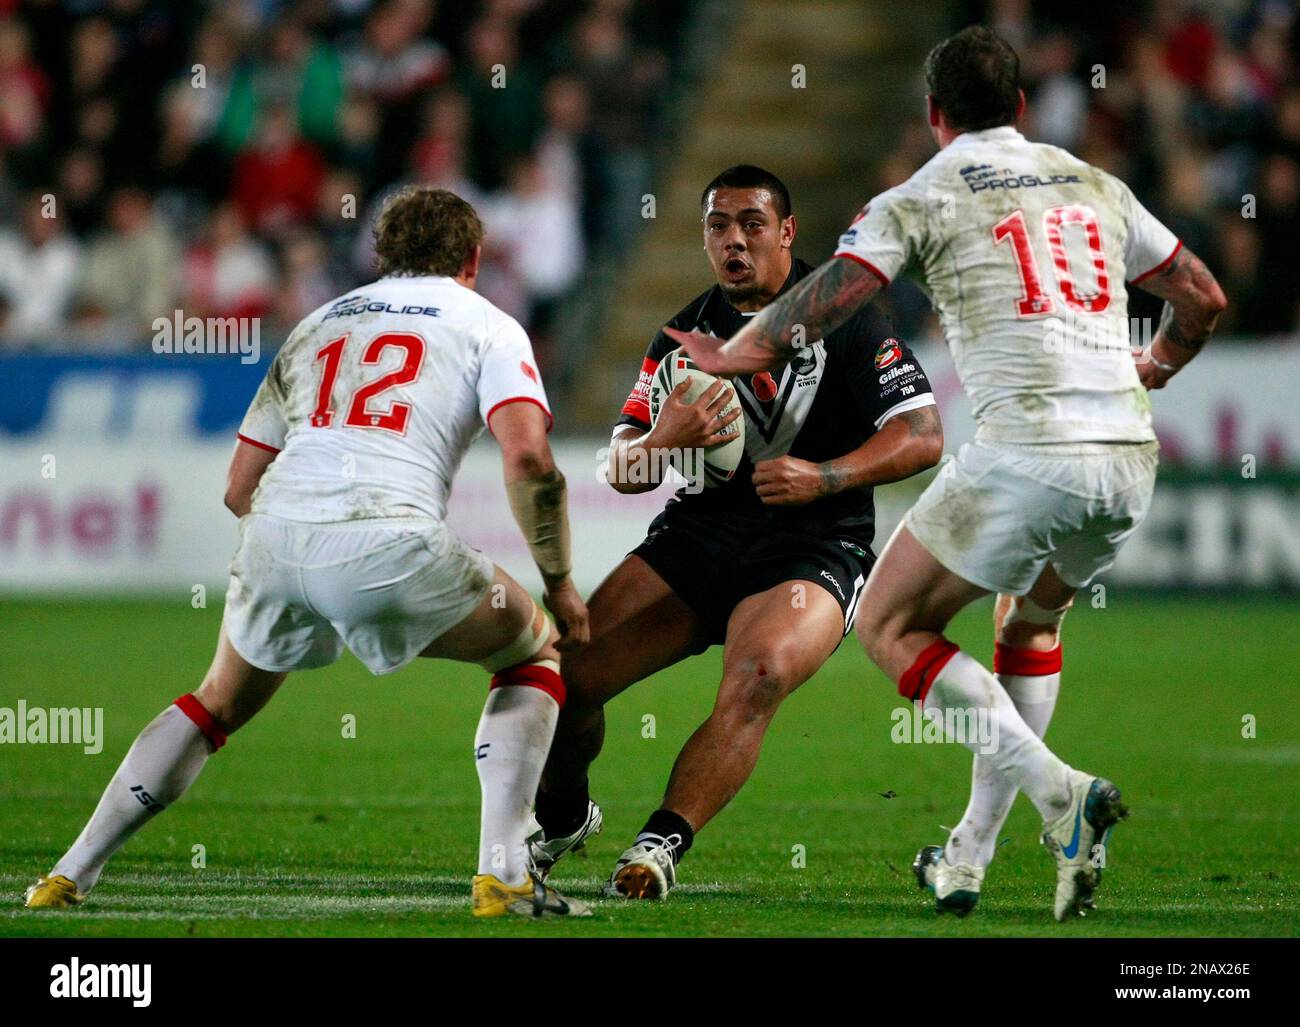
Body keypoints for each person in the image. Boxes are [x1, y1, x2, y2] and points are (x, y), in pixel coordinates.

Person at [668, 28, 1227, 921]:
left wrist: (737, 351)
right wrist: (1152, 364)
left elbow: (833, 295)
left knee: (890, 621)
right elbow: (1202, 293)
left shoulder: (923, 191)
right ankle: (967, 854)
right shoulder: (1097, 184)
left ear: (934, 115)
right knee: (1031, 619)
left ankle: (1059, 794)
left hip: (1029, 448)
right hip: (1127, 454)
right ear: (1019, 108)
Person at [24, 187, 593, 919]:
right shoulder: (489, 324)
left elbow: (238, 486)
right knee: (531, 654)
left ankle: (70, 871)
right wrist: (561, 582)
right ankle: (505, 876)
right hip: (386, 535)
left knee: (216, 701)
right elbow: (529, 461)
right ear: (474, 259)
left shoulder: (317, 323)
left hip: (274, 536)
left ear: (380, 257)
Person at [530, 165, 942, 899]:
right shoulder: (681, 336)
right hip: (698, 535)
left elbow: (921, 436)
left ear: (786, 233)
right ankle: (562, 816)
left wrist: (827, 477)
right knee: (566, 677)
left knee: (758, 679)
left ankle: (658, 845)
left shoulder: (846, 316)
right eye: (718, 226)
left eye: (752, 224)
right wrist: (666, 437)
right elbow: (621, 468)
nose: (734, 241)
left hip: (814, 543)